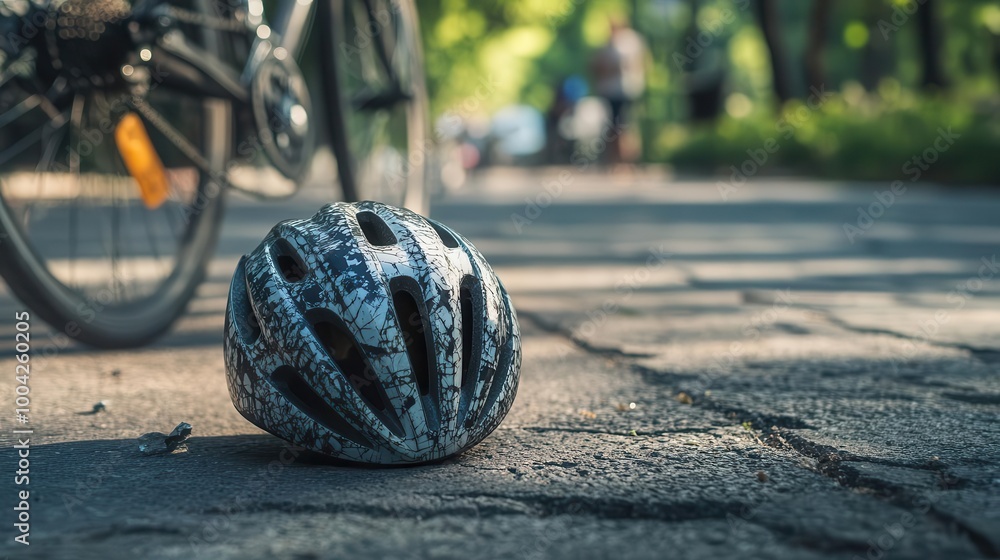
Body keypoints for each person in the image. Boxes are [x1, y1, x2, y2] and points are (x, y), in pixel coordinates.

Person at [590, 19, 648, 167]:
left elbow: (635, 64)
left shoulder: (628, 43)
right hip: (611, 91)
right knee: (615, 126)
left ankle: (625, 161)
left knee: (622, 126)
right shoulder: (608, 44)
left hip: (625, 90)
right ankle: (615, 160)